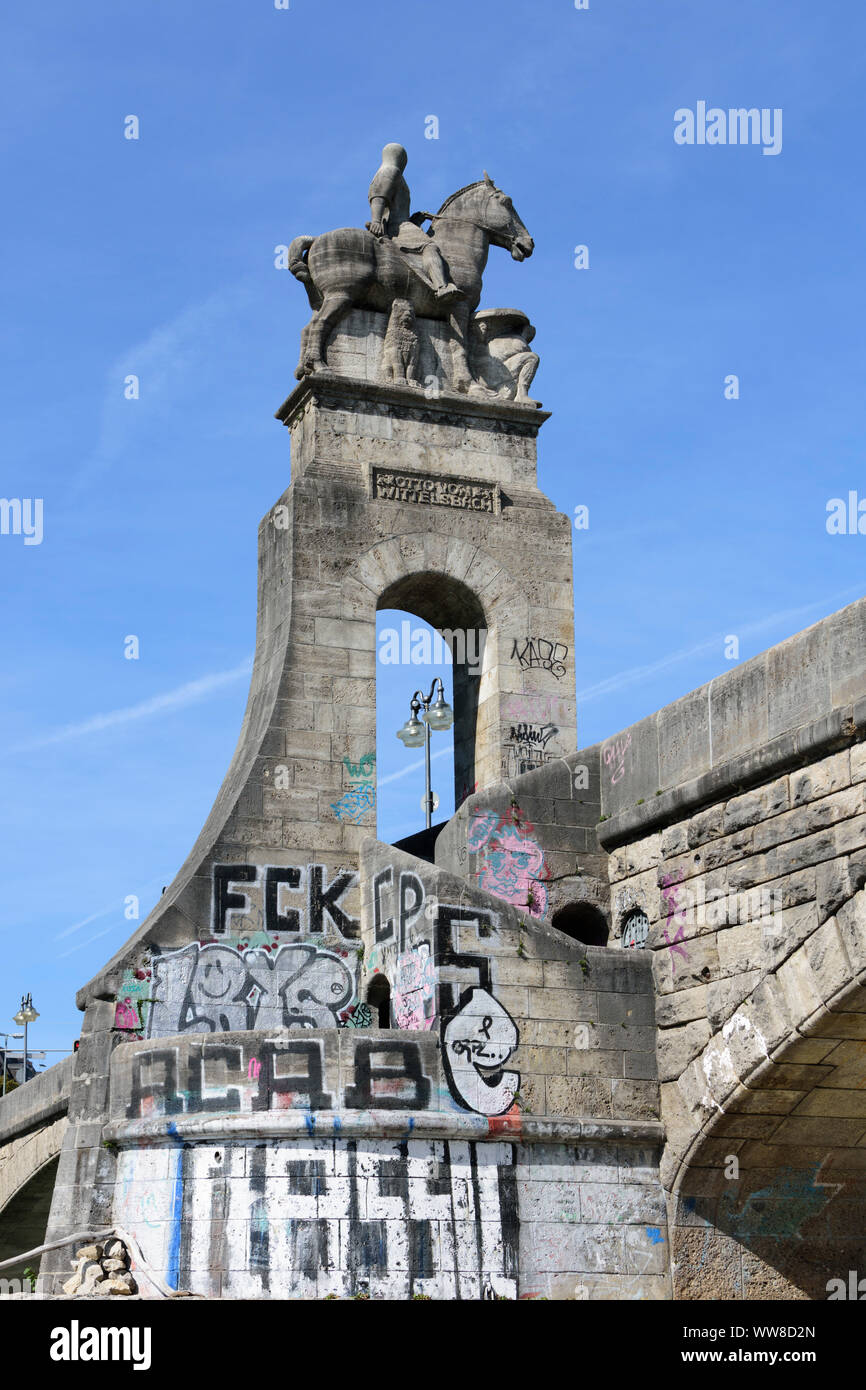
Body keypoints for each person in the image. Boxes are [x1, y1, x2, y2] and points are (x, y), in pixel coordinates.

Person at [367, 143, 460, 301]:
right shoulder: (391, 171)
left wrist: (414, 220)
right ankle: (441, 286)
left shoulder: (391, 173)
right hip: (398, 227)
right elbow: (378, 196)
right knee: (429, 246)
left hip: (404, 223)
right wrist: (375, 220)